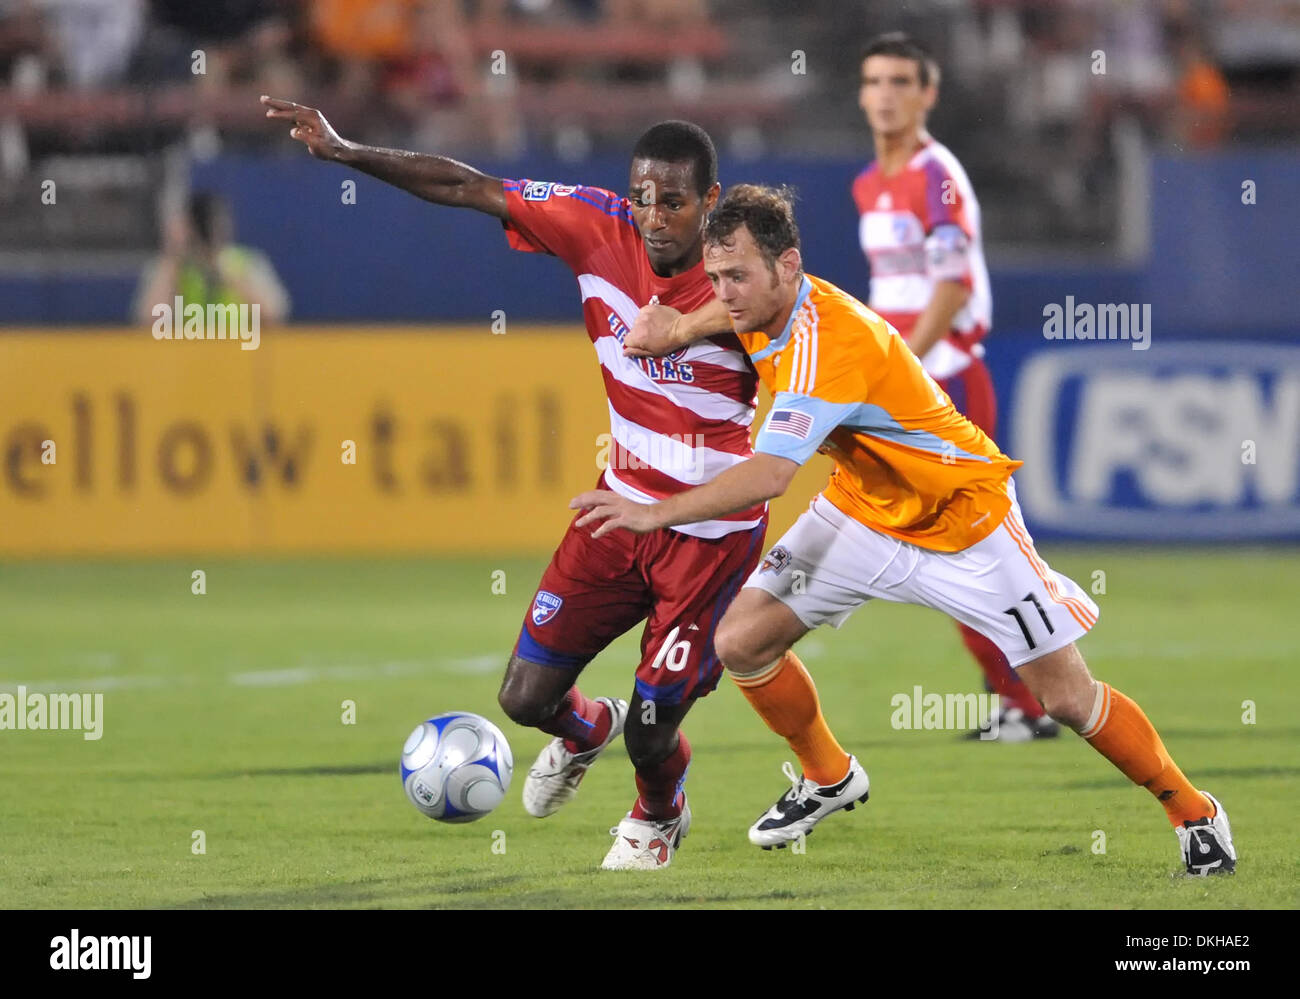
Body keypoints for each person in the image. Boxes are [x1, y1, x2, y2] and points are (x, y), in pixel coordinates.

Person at [585, 183, 1236, 876]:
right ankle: (828, 775)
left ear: (790, 266)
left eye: (736, 275)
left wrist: (656, 511)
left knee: (1066, 698)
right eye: (715, 277)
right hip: (863, 510)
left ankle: (1192, 809)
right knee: (742, 640)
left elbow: (772, 474)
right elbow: (728, 307)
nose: (725, 292)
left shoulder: (829, 344)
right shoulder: (759, 301)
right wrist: (681, 327)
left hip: (963, 517)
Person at [262, 94, 775, 870]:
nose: (654, 215)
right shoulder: (593, 224)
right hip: (618, 507)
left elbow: (807, 317)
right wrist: (344, 149)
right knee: (525, 699)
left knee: (654, 726)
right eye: (643, 197)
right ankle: (586, 730)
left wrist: (692, 323)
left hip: (708, 533)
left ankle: (658, 811)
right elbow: (468, 186)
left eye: (674, 201)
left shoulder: (745, 279)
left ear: (708, 202)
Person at [854, 32, 1054, 741]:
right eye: (875, 80)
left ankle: (1031, 700)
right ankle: (1023, 698)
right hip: (908, 384)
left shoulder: (936, 174)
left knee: (970, 545)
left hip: (945, 381)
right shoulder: (869, 184)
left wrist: (893, 363)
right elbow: (896, 288)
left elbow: (951, 283)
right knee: (947, 547)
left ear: (927, 94)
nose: (886, 93)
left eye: (902, 81)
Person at [132, 191, 290, 326]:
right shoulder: (169, 268)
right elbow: (147, 323)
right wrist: (172, 257)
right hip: (186, 356)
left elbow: (274, 316)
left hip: (239, 354)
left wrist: (225, 270)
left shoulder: (246, 262)